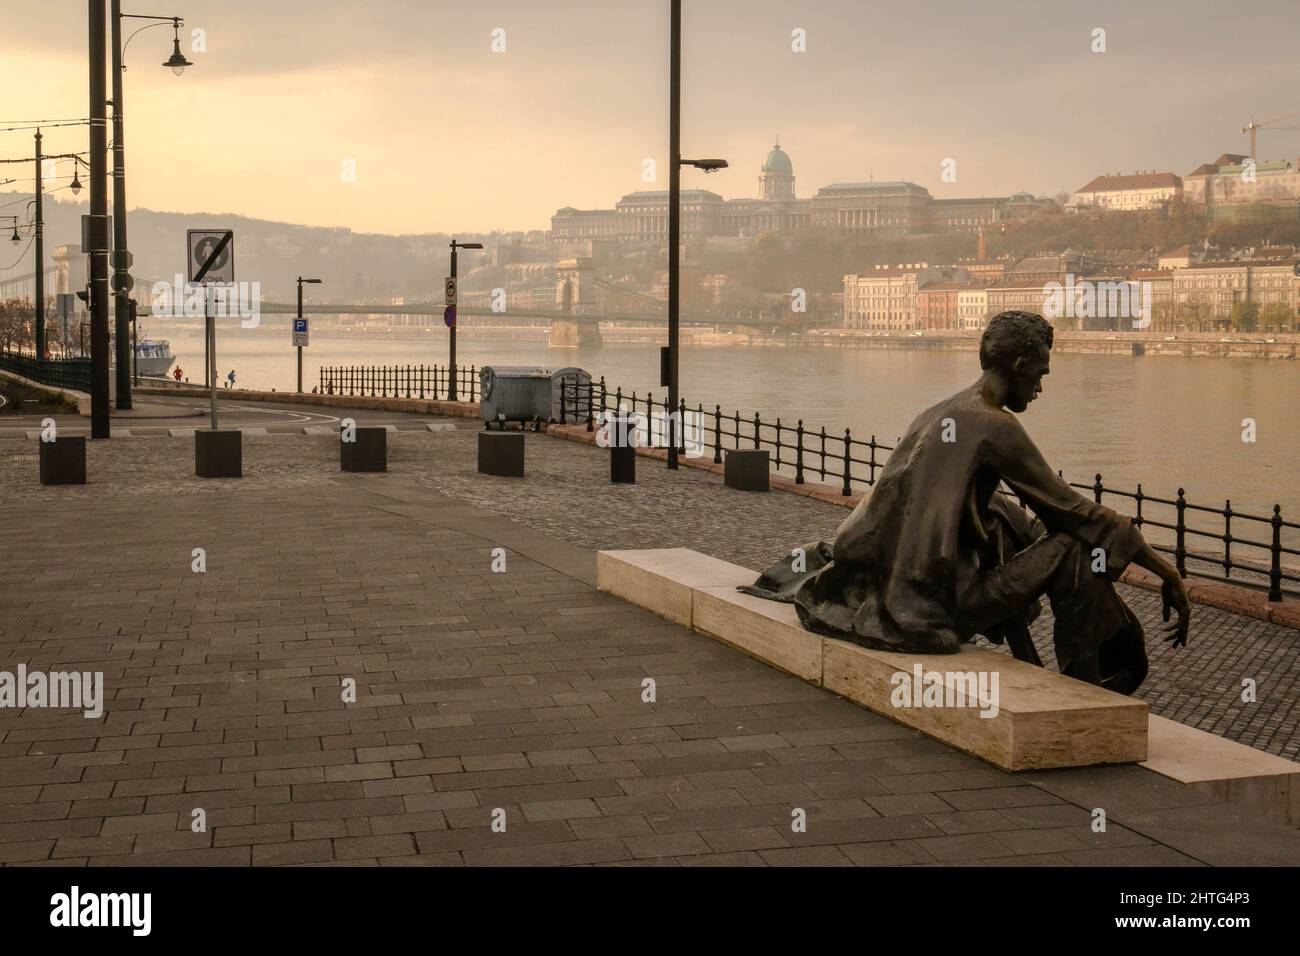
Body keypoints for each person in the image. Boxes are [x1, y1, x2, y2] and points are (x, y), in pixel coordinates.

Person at [742, 310, 1190, 695]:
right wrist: (1166, 571)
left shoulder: (942, 410)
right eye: (1039, 374)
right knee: (1072, 547)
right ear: (1018, 366)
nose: (1039, 387)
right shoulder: (996, 427)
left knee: (999, 511)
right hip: (940, 604)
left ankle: (1071, 676)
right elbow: (1073, 511)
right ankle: (1084, 687)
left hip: (897, 589)